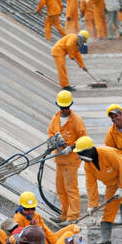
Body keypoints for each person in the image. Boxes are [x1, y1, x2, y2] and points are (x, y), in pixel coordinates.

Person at [75, 136, 122, 244]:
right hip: (112, 184)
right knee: (109, 209)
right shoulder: (88, 166)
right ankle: (105, 239)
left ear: (89, 151)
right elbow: (91, 185)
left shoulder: (108, 153)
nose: (80, 158)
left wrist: (121, 187)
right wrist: (92, 204)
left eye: (81, 155)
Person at [0, 190, 76, 244]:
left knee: (73, 228)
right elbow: (26, 240)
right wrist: (33, 228)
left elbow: (48, 232)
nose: (30, 211)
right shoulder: (18, 220)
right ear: (21, 207)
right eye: (26, 209)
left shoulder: (36, 216)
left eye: (32, 208)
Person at [48, 90, 86, 222]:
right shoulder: (56, 118)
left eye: (66, 107)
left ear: (70, 106)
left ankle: (73, 216)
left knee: (71, 188)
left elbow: (83, 138)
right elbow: (51, 133)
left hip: (71, 160)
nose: (64, 110)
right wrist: (53, 141)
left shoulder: (76, 120)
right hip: (59, 159)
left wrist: (71, 147)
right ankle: (64, 214)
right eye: (62, 107)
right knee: (61, 189)